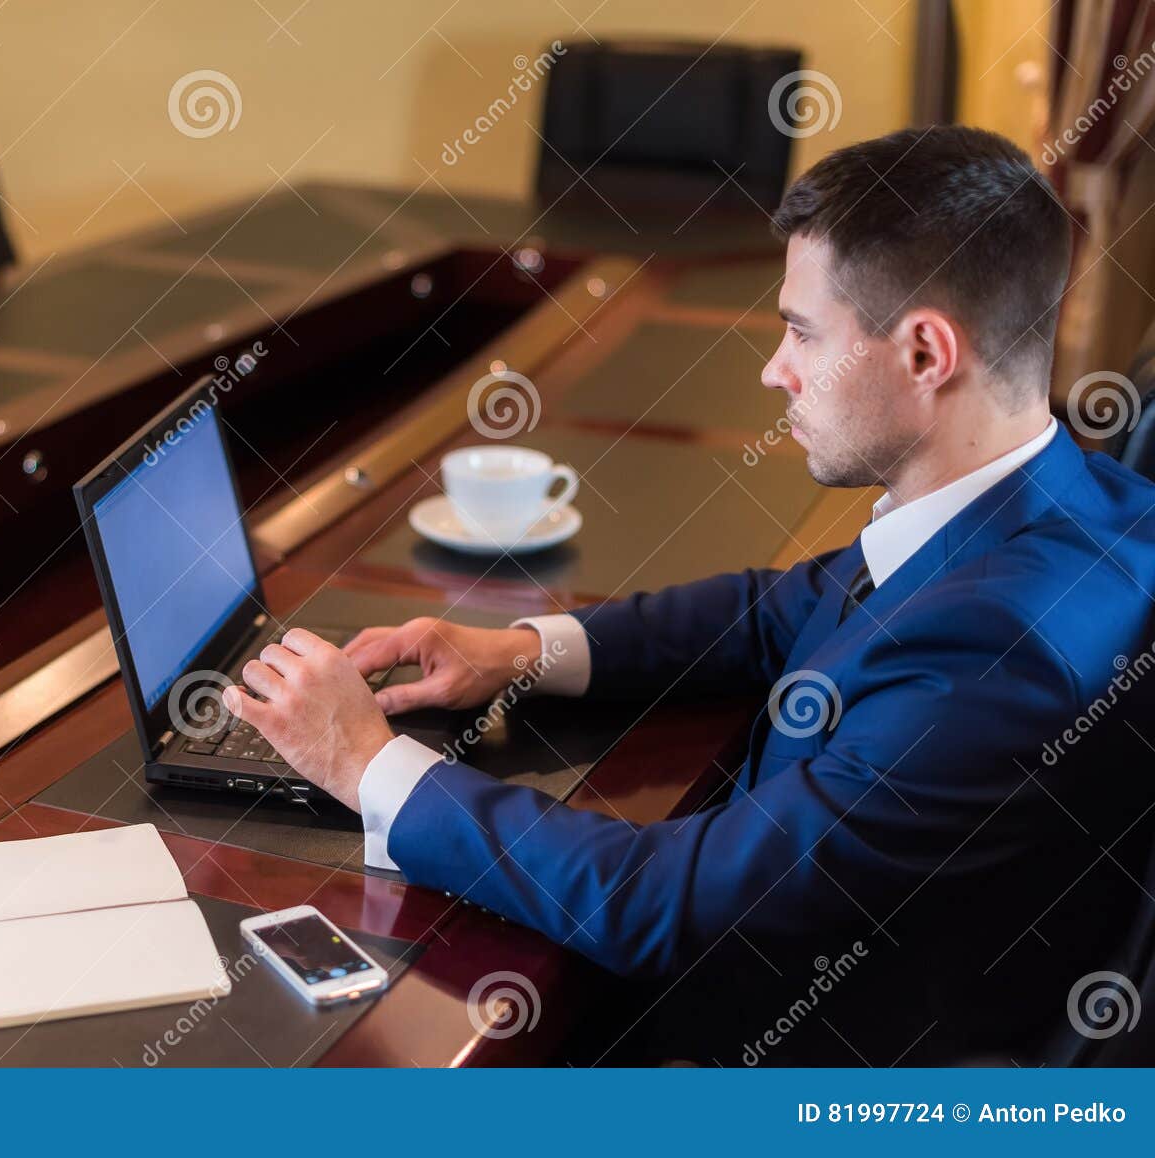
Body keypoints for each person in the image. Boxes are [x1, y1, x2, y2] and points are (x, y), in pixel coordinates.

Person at [221, 125, 1155, 1064]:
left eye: (802, 332)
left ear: (924, 354)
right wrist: (514, 652)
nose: (773, 370)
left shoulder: (992, 654)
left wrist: (364, 763)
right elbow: (775, 609)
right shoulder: (1081, 499)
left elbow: (670, 907)